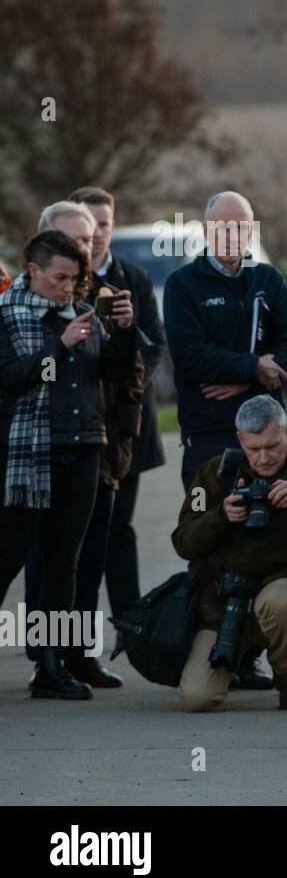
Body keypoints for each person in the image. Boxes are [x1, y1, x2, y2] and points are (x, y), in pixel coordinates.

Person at [0, 229, 136, 698]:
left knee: (64, 564)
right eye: (59, 278)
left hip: (81, 448)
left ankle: (52, 666)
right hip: (24, 456)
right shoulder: (8, 315)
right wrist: (58, 346)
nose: (68, 289)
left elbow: (113, 373)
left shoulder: (81, 314)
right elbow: (12, 379)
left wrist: (123, 329)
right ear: (33, 271)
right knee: (7, 559)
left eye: (75, 280)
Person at [23, 190, 150, 688]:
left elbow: (129, 375)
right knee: (48, 563)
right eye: (75, 237)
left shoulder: (99, 296)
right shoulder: (28, 304)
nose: (87, 244)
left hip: (95, 446)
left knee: (87, 561)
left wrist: (123, 331)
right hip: (44, 447)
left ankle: (77, 655)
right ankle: (46, 657)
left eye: (91, 236)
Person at [171, 396, 287, 712]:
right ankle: (231, 660)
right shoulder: (213, 474)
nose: (264, 458)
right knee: (198, 698)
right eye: (254, 449)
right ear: (239, 439)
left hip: (285, 595)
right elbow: (183, 541)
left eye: (273, 446)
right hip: (224, 602)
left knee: (278, 600)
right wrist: (221, 516)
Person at [71, 186, 166, 677]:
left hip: (126, 431)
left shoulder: (136, 278)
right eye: (90, 225)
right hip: (79, 433)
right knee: (79, 542)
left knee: (118, 534)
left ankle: (132, 635)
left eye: (105, 223)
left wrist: (122, 385)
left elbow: (153, 349)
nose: (99, 233)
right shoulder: (68, 284)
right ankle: (75, 652)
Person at [164, 191, 287, 492]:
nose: (231, 235)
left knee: (276, 531)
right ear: (204, 231)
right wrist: (253, 368)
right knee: (209, 530)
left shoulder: (269, 279)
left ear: (251, 231)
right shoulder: (182, 285)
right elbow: (189, 355)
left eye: (240, 227)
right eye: (222, 227)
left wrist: (247, 380)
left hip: (269, 435)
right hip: (210, 434)